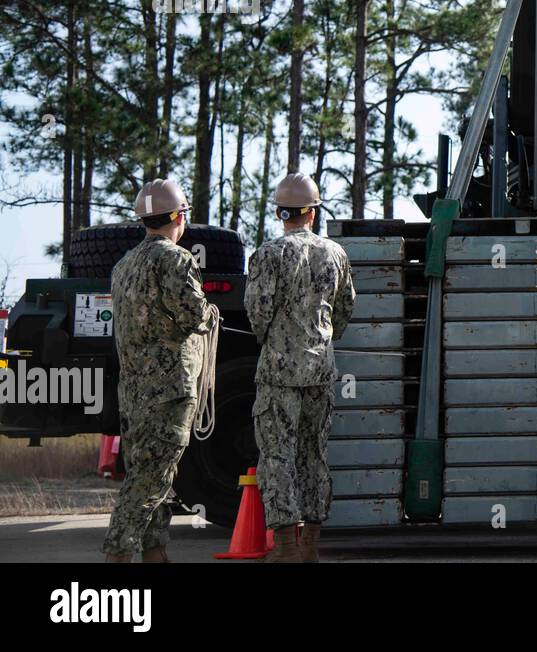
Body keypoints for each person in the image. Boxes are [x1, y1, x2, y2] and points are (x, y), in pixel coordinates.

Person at [103, 179, 218, 562]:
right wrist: (208, 310)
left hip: (134, 390)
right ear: (176, 216)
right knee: (152, 479)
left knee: (153, 473)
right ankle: (117, 555)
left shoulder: (123, 266)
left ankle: (156, 554)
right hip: (169, 389)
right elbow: (194, 315)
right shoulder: (176, 259)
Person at [245, 172, 355, 562]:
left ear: (281, 212)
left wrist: (275, 339)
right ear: (313, 211)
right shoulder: (335, 254)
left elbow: (257, 313)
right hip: (320, 372)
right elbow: (343, 312)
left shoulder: (268, 254)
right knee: (313, 455)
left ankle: (287, 546)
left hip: (278, 373)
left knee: (278, 456)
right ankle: (310, 547)